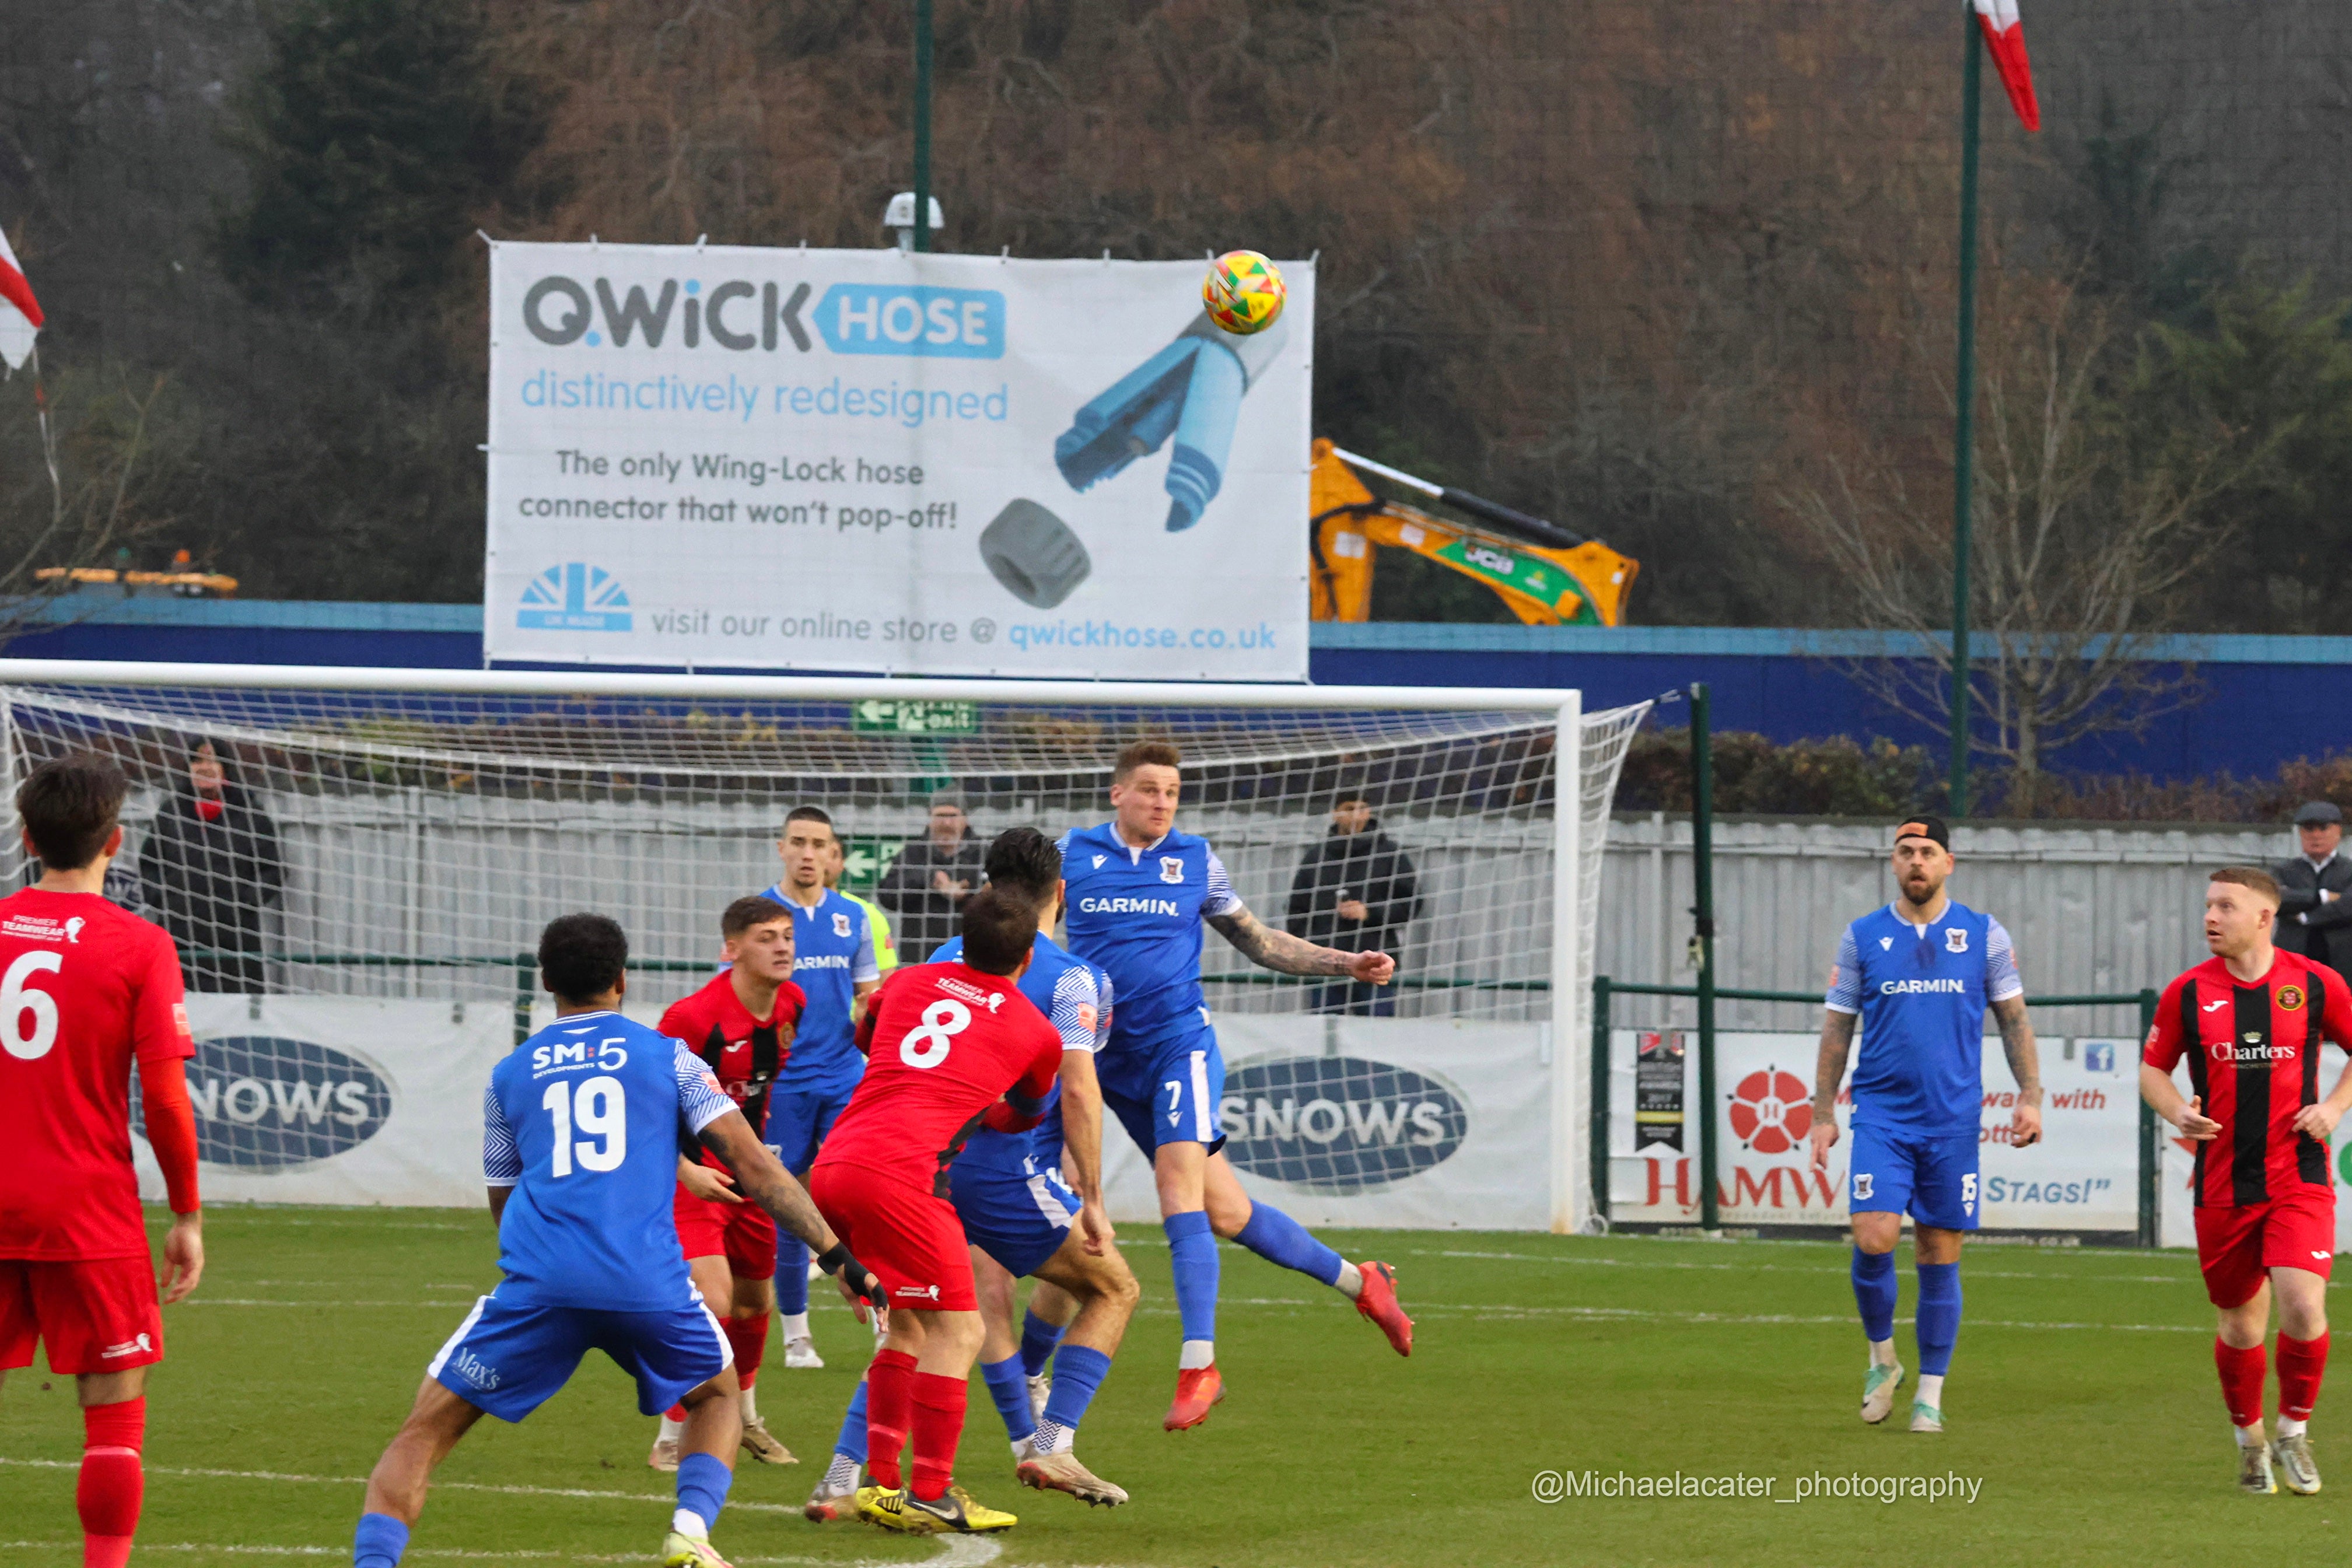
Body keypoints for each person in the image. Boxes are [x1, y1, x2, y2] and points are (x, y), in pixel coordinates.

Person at [347, 913, 883, 1568]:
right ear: (623, 980)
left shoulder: (509, 1076)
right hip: (646, 1282)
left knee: (424, 1431)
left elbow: (502, 1198)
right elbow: (756, 1166)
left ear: (546, 982)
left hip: (542, 1287)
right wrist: (838, 1257)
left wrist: (548, 1268)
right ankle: (689, 1530)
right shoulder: (669, 1057)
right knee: (717, 1397)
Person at [1059, 740, 1415, 1433]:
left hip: (1176, 1046)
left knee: (1176, 1192)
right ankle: (1361, 1281)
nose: (1163, 802)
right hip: (1098, 1054)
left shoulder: (1196, 860)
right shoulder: (1069, 854)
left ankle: (1201, 1365)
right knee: (1227, 1214)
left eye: (1172, 791)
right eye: (1150, 789)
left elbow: (1258, 940)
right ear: (1117, 794)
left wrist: (1348, 962)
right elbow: (1029, 940)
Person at [806, 829, 1138, 1520]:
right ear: (1061, 895)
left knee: (917, 1323)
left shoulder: (928, 964)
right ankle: (1040, 1444)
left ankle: (845, 1477)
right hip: (967, 1175)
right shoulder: (1069, 979)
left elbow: (873, 1037)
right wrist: (1095, 1192)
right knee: (1109, 1287)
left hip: (862, 1158)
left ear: (982, 888)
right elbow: (1070, 1091)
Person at [810, 886, 1065, 1535]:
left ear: (962, 937)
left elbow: (864, 1033)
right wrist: (970, 1105)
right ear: (1029, 955)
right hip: (902, 1177)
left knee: (908, 1328)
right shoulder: (1037, 1032)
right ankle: (932, 1491)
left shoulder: (911, 981)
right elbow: (1024, 1116)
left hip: (837, 1163)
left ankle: (885, 1486)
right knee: (963, 1332)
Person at [0, 753, 204, 1568]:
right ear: (115, 842)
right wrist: (186, 1214)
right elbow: (165, 1103)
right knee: (113, 1416)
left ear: (25, 837)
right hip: (85, 1209)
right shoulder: (140, 946)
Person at [1807, 814, 2043, 1436]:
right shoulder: (1862, 938)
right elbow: (1838, 1028)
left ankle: (1930, 1395)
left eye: (1928, 852)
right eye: (1906, 851)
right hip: (1882, 1115)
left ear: (1948, 863)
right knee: (1874, 1236)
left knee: (1939, 1253)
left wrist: (2032, 1096)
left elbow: (2014, 1020)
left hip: (1953, 1120)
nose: (1916, 861)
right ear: (1893, 862)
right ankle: (1882, 1359)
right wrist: (1823, 1113)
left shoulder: (1984, 936)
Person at [2141, 866, 2352, 1496]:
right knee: (2240, 1326)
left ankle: (2293, 1428)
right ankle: (2250, 1440)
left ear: (2264, 917)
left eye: (2226, 907)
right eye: (2208, 905)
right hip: (2225, 1183)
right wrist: (2177, 1109)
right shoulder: (2186, 993)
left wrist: (2335, 1107)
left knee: (2303, 1304)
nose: (2211, 917)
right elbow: (2153, 1070)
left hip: (2299, 1174)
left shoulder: (2316, 983)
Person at [645, 897, 806, 1471]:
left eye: (787, 935)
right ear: (731, 950)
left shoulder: (793, 1004)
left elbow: (755, 1098)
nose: (783, 946)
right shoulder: (692, 1019)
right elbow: (649, 1103)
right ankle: (671, 1431)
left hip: (749, 1175)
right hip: (691, 1176)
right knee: (709, 1302)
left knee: (753, 1301)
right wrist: (686, 1169)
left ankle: (746, 1419)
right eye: (767, 937)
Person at [755, 806, 883, 1370]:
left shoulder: (853, 917)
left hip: (842, 1081)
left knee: (860, 1203)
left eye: (819, 844)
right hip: (783, 1085)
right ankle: (796, 1335)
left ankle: (885, 1319)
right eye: (799, 843)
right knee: (787, 1204)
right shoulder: (759, 917)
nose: (808, 854)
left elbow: (869, 1002)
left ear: (832, 854)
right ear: (781, 848)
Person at [144, 739, 285, 993]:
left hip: (235, 939)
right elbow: (149, 865)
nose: (204, 767)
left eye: (212, 760)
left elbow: (272, 870)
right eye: (197, 761)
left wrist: (247, 901)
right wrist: (163, 898)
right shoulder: (170, 813)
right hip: (180, 935)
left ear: (226, 768)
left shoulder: (250, 812)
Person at [1283, 785, 1421, 1016]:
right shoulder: (1316, 857)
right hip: (1327, 964)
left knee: (1375, 1034)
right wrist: (1310, 948)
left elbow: (1412, 903)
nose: (1357, 815)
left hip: (1375, 962)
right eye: (1350, 809)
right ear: (1336, 813)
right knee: (1325, 1035)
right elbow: (1297, 909)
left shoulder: (1389, 854)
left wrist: (1370, 913)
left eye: (1363, 808)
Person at [876, 794, 987, 961]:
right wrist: (928, 879)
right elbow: (886, 896)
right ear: (930, 819)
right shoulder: (913, 853)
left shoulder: (984, 854)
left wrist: (968, 892)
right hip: (920, 957)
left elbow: (1002, 895)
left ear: (965, 820)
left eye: (953, 816)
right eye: (940, 816)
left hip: (973, 957)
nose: (946, 823)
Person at [2274, 801, 2352, 996]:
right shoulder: (2284, 870)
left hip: (2342, 963)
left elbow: (2348, 907)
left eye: (2324, 828)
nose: (2316, 835)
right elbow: (2277, 901)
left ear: (2338, 831)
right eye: (2309, 828)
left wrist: (2304, 917)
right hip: (2292, 961)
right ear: (2300, 833)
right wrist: (2322, 897)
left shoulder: (2349, 870)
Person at [828, 838, 900, 975]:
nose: (824, 861)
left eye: (832, 855)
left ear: (843, 863)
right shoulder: (781, 909)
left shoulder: (867, 914)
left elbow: (886, 980)